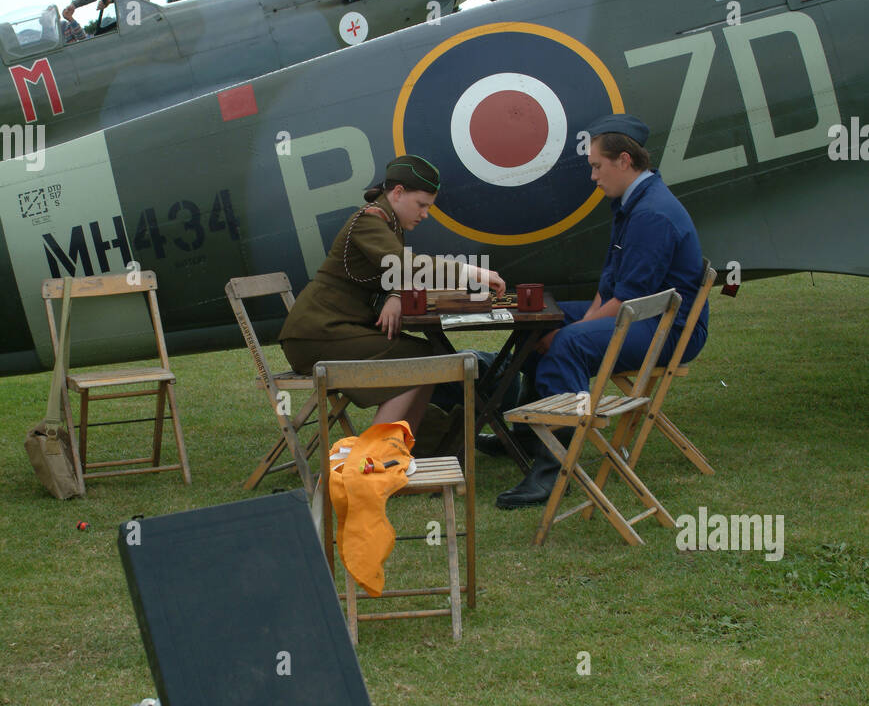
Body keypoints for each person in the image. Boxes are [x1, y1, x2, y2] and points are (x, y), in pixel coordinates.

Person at [493, 112, 709, 509]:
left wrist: (575, 332)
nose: (593, 176)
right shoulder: (632, 200)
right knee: (539, 323)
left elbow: (629, 299)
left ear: (624, 161)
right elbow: (610, 284)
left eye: (597, 166)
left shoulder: (651, 214)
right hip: (640, 314)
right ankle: (529, 433)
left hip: (667, 328)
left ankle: (554, 469)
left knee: (566, 345)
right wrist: (570, 322)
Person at [280, 154, 505, 433]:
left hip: (334, 329)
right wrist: (473, 272)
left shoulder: (388, 222)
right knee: (419, 361)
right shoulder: (369, 221)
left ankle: (401, 448)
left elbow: (395, 269)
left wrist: (397, 296)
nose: (424, 214)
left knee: (428, 355)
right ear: (398, 192)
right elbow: (404, 264)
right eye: (421, 205)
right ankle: (374, 452)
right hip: (317, 335)